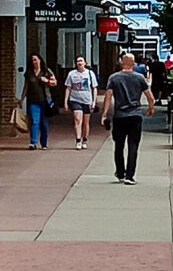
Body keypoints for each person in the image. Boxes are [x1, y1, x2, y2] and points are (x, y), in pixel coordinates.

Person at [101, 51, 154, 185]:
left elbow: (108, 96)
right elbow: (150, 96)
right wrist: (150, 108)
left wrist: (104, 113)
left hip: (119, 116)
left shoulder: (114, 78)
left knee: (119, 145)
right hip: (135, 115)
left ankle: (120, 172)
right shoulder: (140, 78)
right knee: (133, 146)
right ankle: (130, 176)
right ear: (133, 64)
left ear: (122, 63)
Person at [20, 54, 57, 150]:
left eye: (36, 60)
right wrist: (22, 99)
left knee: (43, 122)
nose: (34, 62)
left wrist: (47, 81)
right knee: (34, 120)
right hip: (33, 101)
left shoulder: (46, 71)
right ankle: (33, 142)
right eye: (33, 60)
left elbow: (54, 83)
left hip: (45, 100)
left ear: (40, 60)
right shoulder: (29, 73)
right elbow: (26, 86)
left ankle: (44, 143)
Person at [64, 56, 98, 149]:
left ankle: (85, 139)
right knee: (77, 119)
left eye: (81, 61)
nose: (79, 63)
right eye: (77, 61)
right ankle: (78, 140)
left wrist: (94, 102)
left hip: (87, 100)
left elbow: (94, 88)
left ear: (85, 63)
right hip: (75, 100)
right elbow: (68, 88)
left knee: (85, 123)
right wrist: (66, 101)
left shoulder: (90, 74)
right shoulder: (71, 74)